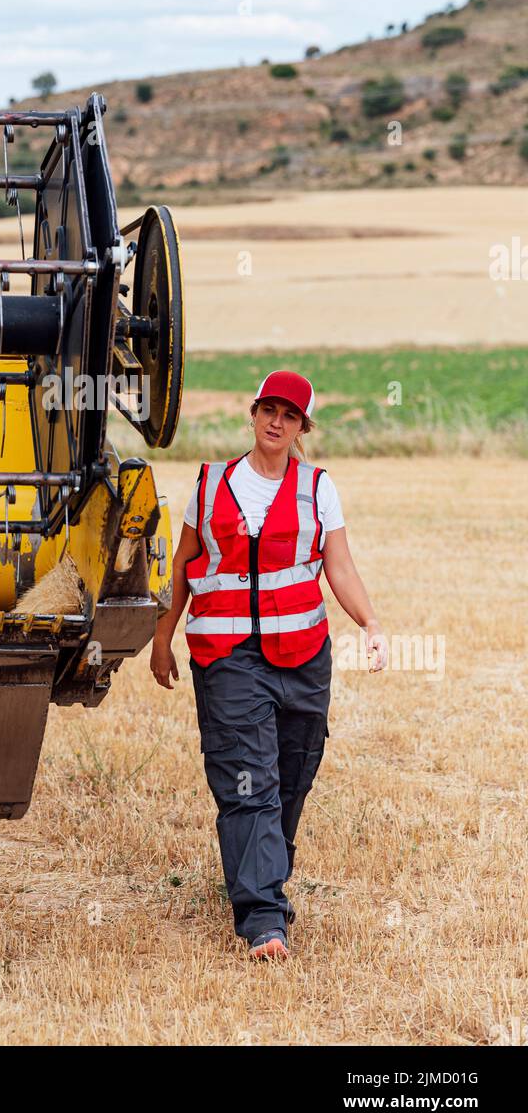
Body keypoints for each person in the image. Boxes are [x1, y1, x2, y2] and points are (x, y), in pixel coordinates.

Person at [150, 370, 387, 960]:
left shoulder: (316, 488)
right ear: (253, 414)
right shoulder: (208, 484)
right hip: (227, 658)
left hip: (304, 656)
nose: (276, 421)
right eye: (268, 410)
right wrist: (162, 638)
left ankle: (264, 880)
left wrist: (370, 624)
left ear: (302, 427)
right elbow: (180, 566)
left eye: (289, 414)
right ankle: (262, 919)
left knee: (290, 776)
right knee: (246, 778)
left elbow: (340, 566)